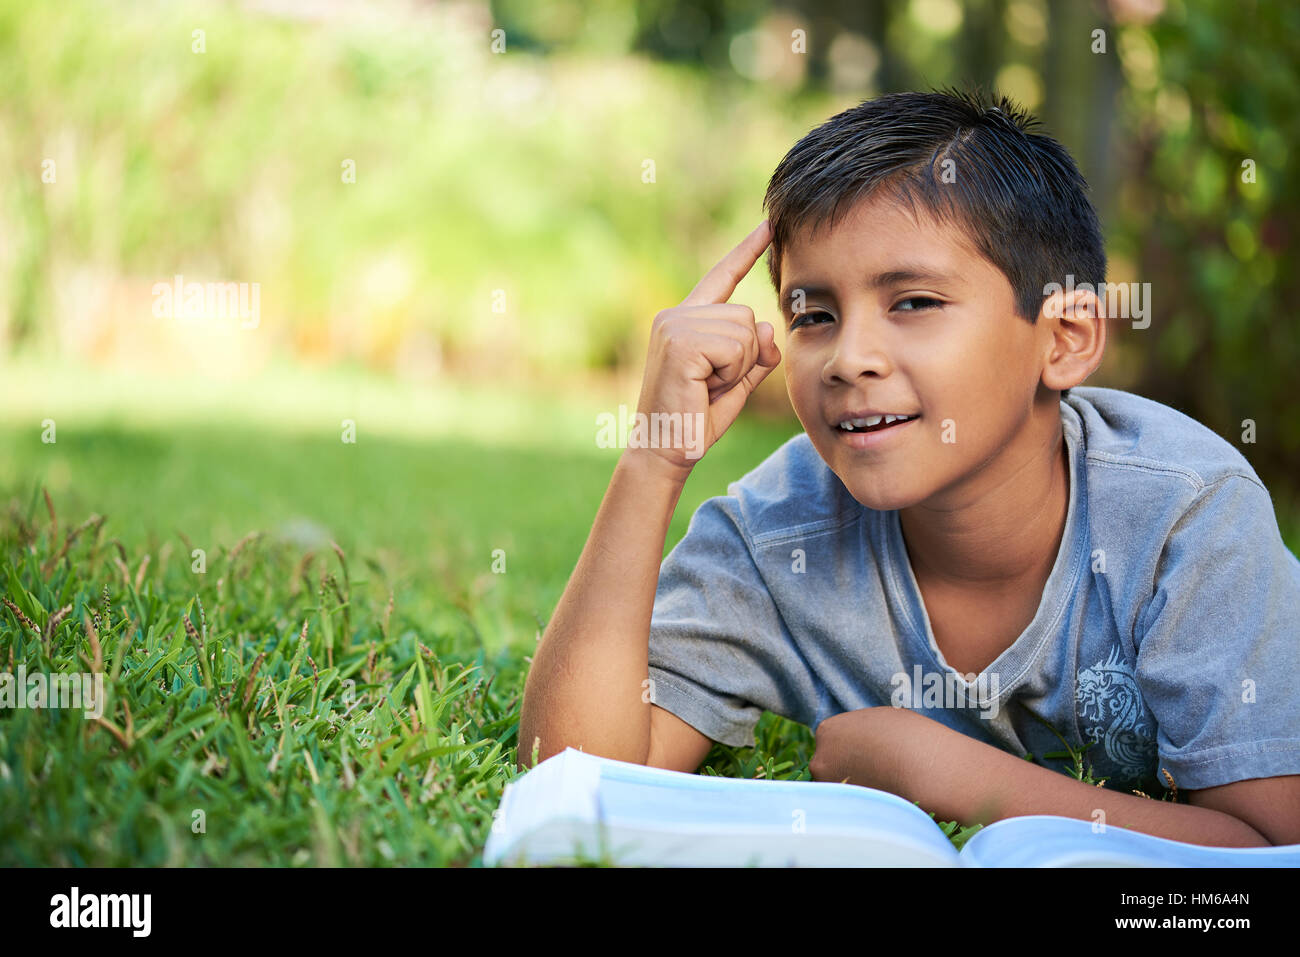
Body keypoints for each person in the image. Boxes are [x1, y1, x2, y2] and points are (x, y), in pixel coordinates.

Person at [518, 89, 1300, 847]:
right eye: (813, 315)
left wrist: (950, 773)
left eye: (915, 302)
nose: (849, 358)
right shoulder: (777, 537)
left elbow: (1268, 840)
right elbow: (575, 778)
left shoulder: (1185, 518)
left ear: (1063, 338)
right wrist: (654, 457)